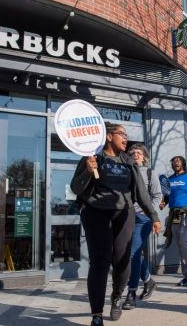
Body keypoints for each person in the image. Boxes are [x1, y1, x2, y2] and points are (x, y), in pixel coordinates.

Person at [71, 122, 162, 326]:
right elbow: (76, 188)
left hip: (124, 212)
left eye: (126, 134)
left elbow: (141, 192)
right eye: (122, 134)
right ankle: (96, 314)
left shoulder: (128, 161)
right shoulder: (93, 157)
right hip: (95, 212)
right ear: (109, 136)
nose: (126, 138)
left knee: (123, 259)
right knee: (100, 260)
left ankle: (117, 297)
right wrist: (87, 171)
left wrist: (154, 216)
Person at [122, 143, 163, 310]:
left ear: (144, 157)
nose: (135, 154)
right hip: (125, 217)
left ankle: (131, 293)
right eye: (132, 152)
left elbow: (157, 195)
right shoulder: (125, 171)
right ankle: (148, 280)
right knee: (133, 253)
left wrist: (150, 214)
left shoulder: (149, 173)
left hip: (143, 219)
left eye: (139, 153)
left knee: (132, 253)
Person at [160, 155, 187, 287]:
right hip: (174, 215)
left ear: (183, 163)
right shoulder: (169, 179)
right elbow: (167, 196)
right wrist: (163, 203)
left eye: (178, 161)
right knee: (180, 245)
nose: (176, 163)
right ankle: (186, 276)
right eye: (174, 161)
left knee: (185, 242)